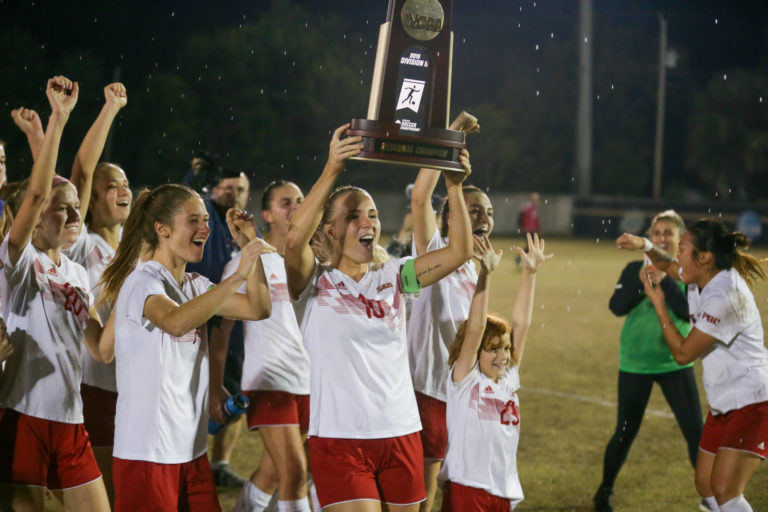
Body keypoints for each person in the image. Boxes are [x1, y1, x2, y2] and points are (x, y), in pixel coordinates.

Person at [284, 124, 473, 511]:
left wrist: (454, 186)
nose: (368, 223)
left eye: (372, 214)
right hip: (340, 438)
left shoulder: (396, 276)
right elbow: (292, 240)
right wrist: (333, 168)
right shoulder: (314, 285)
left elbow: (457, 253)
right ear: (330, 230)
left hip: (401, 432)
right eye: (354, 217)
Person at [97, 183, 273, 511]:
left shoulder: (194, 285)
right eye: (193, 220)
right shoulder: (141, 282)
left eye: (206, 219)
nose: (205, 228)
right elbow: (175, 321)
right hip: (147, 453)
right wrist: (237, 276)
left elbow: (258, 308)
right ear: (161, 229)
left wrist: (251, 249)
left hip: (190, 452)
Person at [0, 76, 113, 511]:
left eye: (76, 207)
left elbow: (101, 349)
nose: (73, 213)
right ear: (33, 215)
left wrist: (135, 292)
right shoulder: (18, 262)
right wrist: (57, 120)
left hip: (71, 419)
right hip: (23, 415)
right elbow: (37, 190)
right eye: (59, 207)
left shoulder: (79, 274)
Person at [617, 219, 768, 512]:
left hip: (753, 398)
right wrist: (645, 245)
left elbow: (684, 354)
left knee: (725, 491)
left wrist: (659, 304)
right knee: (706, 485)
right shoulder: (701, 277)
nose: (677, 255)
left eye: (683, 249)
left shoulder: (725, 295)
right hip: (727, 400)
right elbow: (670, 266)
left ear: (705, 257)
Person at [594, 210, 704, 512]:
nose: (662, 238)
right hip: (636, 363)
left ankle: (711, 497)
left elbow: (686, 312)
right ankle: (603, 493)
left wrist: (664, 280)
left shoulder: (687, 273)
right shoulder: (633, 269)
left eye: (669, 233)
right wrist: (641, 282)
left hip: (675, 363)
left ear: (681, 239)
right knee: (625, 432)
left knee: (696, 434)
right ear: (649, 237)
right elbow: (616, 307)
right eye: (657, 233)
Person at [214, 180, 312, 512]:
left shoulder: (311, 262)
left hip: (308, 380)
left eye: (301, 200)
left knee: (272, 473)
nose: (297, 207)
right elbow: (221, 333)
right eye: (287, 202)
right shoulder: (246, 262)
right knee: (295, 473)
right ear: (267, 214)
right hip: (269, 380)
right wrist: (216, 386)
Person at [406, 111, 483, 511]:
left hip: (455, 397)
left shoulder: (476, 272)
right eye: (473, 211)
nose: (482, 218)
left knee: (430, 491)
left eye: (486, 212)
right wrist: (448, 137)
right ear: (450, 217)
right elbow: (420, 197)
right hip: (423, 392)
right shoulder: (433, 256)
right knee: (415, 494)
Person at [439, 233, 550, 511]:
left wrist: (529, 273)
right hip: (467, 488)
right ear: (475, 351)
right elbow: (475, 329)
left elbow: (521, 325)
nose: (503, 356)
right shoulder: (466, 379)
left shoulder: (508, 380)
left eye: (505, 348)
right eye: (492, 349)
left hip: (503, 492)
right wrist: (485, 275)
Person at [62, 82, 128, 506]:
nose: (122, 190)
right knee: (107, 489)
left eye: (125, 183)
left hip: (133, 382)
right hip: (97, 383)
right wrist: (110, 110)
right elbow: (82, 171)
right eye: (111, 185)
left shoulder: (135, 249)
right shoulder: (83, 243)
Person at [184, 165, 252, 487]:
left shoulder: (247, 230)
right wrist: (193, 177)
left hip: (237, 327)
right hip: (201, 317)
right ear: (212, 191)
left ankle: (220, 463)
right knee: (195, 396)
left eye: (239, 189)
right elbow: (185, 201)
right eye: (225, 188)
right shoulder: (207, 220)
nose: (232, 194)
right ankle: (192, 457)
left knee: (233, 396)